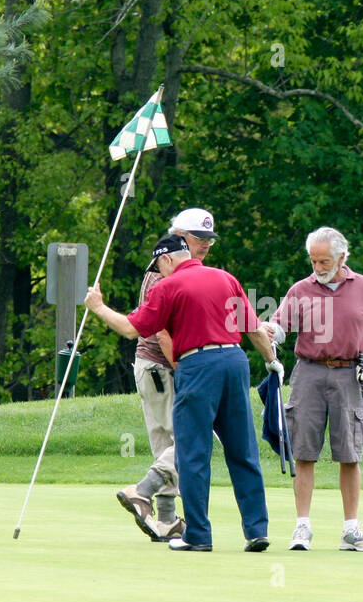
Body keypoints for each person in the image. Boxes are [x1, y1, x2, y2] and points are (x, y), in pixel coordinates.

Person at [86, 233, 282, 552]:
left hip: (197, 363)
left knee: (193, 453)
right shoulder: (224, 277)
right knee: (243, 450)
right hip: (234, 361)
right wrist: (271, 361)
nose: (158, 273)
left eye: (158, 266)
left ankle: (198, 536)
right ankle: (257, 530)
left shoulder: (167, 286)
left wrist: (98, 307)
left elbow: (130, 329)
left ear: (166, 259)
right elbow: (252, 328)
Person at [265, 227, 363, 552]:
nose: (318, 268)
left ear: (342, 257)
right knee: (304, 453)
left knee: (350, 454)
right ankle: (302, 527)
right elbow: (280, 329)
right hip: (308, 374)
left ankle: (351, 531)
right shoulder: (300, 290)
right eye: (314, 261)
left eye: (324, 261)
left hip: (350, 374)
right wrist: (267, 330)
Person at [116, 209, 221, 542]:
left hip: (159, 369)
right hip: (164, 366)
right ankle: (142, 491)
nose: (204, 245)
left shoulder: (180, 269)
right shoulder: (163, 272)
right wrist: (186, 370)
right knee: (192, 439)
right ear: (178, 236)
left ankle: (165, 519)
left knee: (168, 443)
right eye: (197, 238)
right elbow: (162, 333)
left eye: (207, 240)